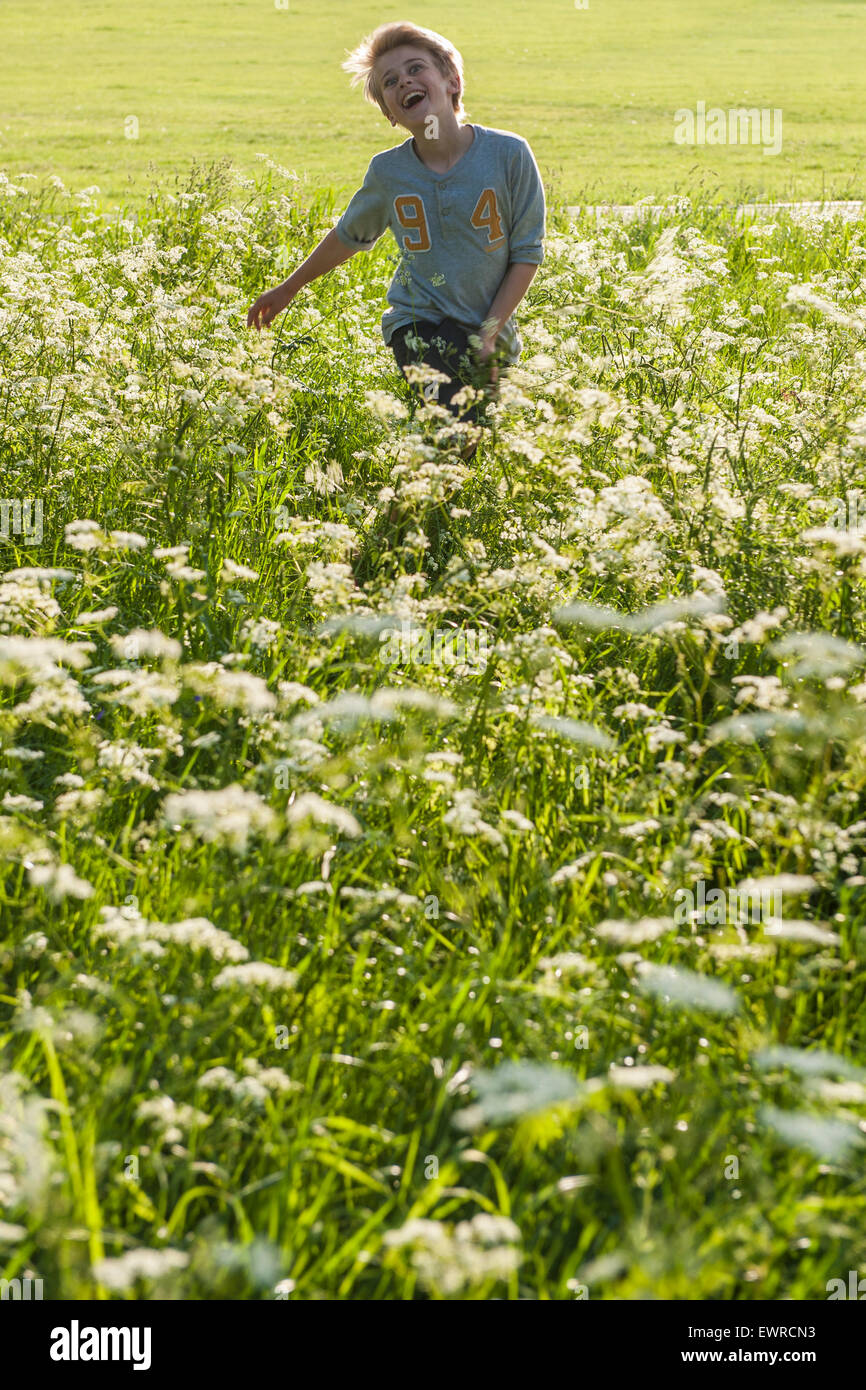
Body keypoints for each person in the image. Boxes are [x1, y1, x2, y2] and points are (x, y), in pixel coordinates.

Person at [247, 21, 546, 455]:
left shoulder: (508, 154)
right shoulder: (388, 173)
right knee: (453, 436)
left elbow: (527, 254)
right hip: (417, 324)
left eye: (415, 68)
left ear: (452, 81)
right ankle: (405, 514)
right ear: (389, 112)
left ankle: (406, 515)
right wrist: (289, 286)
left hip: (490, 329)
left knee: (466, 449)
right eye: (390, 81)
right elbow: (349, 235)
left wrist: (489, 330)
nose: (404, 80)